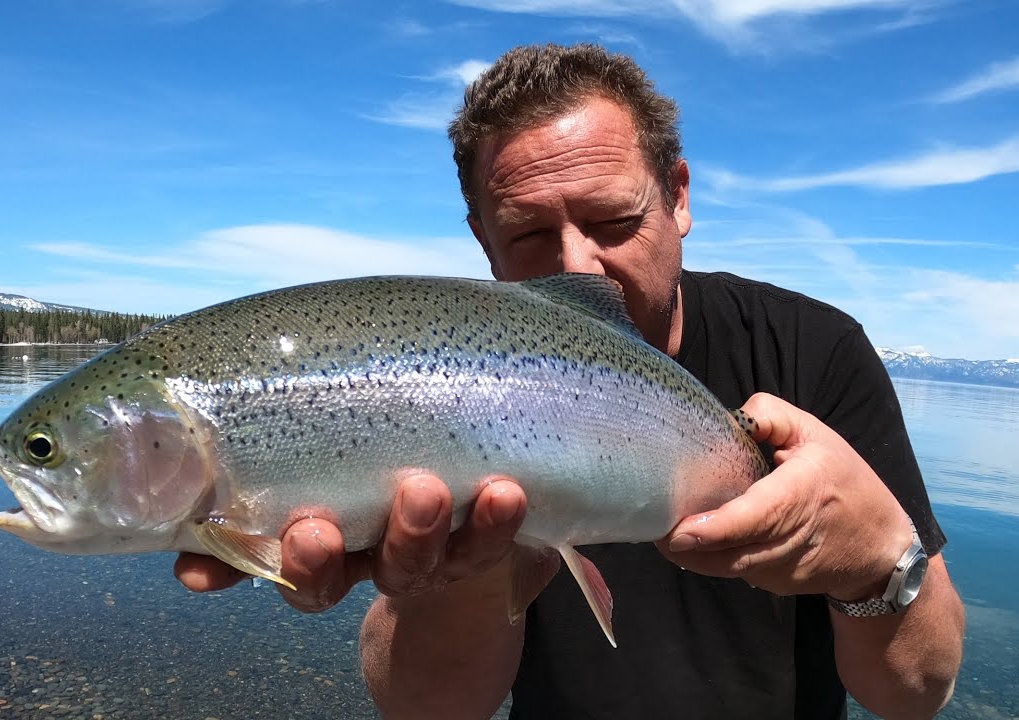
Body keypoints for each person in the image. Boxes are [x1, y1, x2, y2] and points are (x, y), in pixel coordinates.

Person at [176, 43, 966, 719]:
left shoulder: (812, 350)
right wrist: (466, 568)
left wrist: (878, 562)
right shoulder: (432, 385)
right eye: (526, 233)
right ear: (482, 237)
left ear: (678, 197)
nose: (578, 265)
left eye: (615, 223)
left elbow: (918, 692)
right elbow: (422, 708)